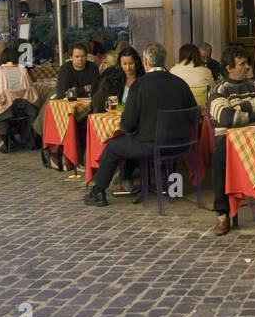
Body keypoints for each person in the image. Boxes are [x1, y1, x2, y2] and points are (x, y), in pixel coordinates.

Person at [83, 43, 198, 206]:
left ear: (145, 61)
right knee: (133, 141)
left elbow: (128, 124)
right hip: (182, 144)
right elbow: (193, 116)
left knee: (112, 146)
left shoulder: (140, 85)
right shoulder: (180, 83)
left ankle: (99, 191)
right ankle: (172, 186)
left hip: (151, 145)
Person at [209, 44, 255, 235]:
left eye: (247, 63)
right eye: (242, 64)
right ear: (229, 68)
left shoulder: (254, 85)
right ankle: (222, 215)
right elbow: (226, 118)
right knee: (219, 157)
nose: (247, 67)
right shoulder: (218, 90)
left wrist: (240, 107)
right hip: (230, 142)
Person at [0, 47, 40, 150]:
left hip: (5, 112)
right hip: (25, 110)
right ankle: (21, 137)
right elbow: (31, 86)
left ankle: (2, 138)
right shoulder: (22, 69)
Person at [93, 45, 143, 112]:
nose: (128, 67)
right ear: (120, 64)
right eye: (124, 64)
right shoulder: (114, 80)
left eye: (131, 63)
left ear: (137, 62)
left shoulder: (144, 80)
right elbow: (98, 101)